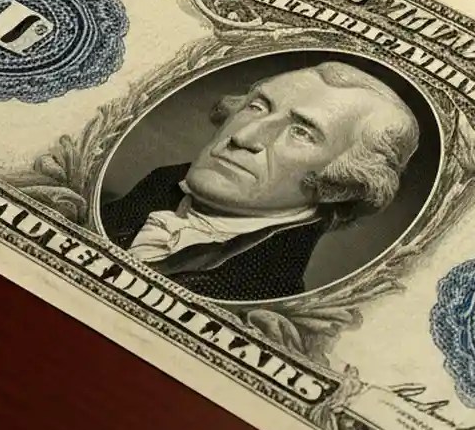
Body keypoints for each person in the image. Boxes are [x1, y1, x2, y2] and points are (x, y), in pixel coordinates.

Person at [101, 61, 421, 301]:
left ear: (340, 185)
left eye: (302, 132)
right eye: (256, 107)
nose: (243, 136)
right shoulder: (144, 192)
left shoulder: (259, 296)